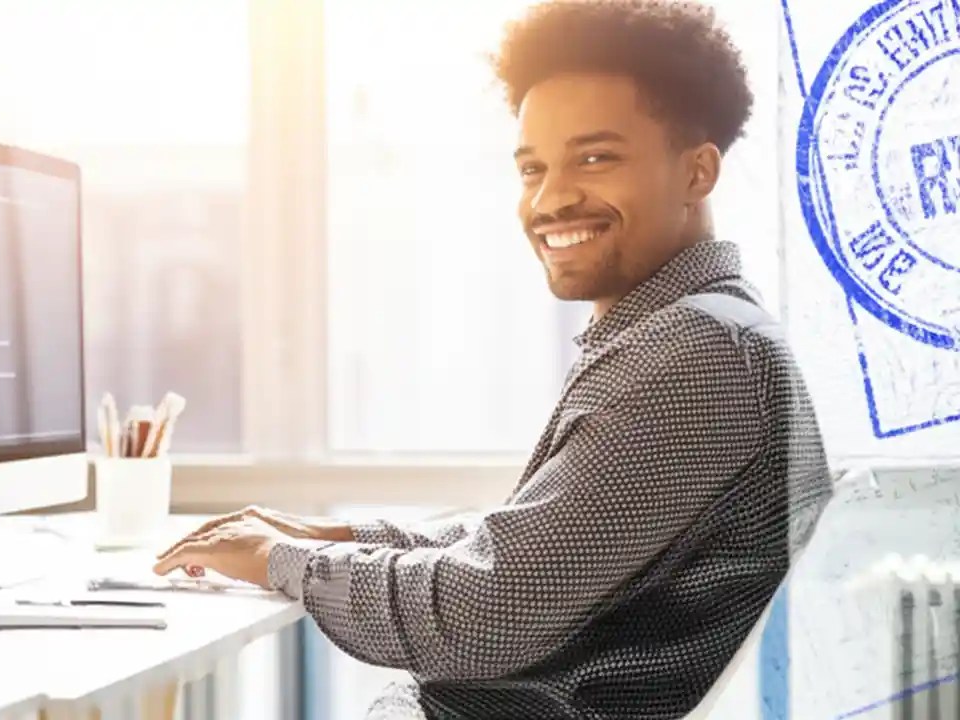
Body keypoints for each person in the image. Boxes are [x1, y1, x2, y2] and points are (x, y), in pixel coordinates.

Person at [153, 1, 833, 717]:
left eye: (595, 158)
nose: (551, 199)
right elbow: (518, 547)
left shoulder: (696, 354)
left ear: (697, 172)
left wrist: (281, 560)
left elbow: (482, 614)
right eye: (533, 168)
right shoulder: (690, 333)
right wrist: (338, 537)